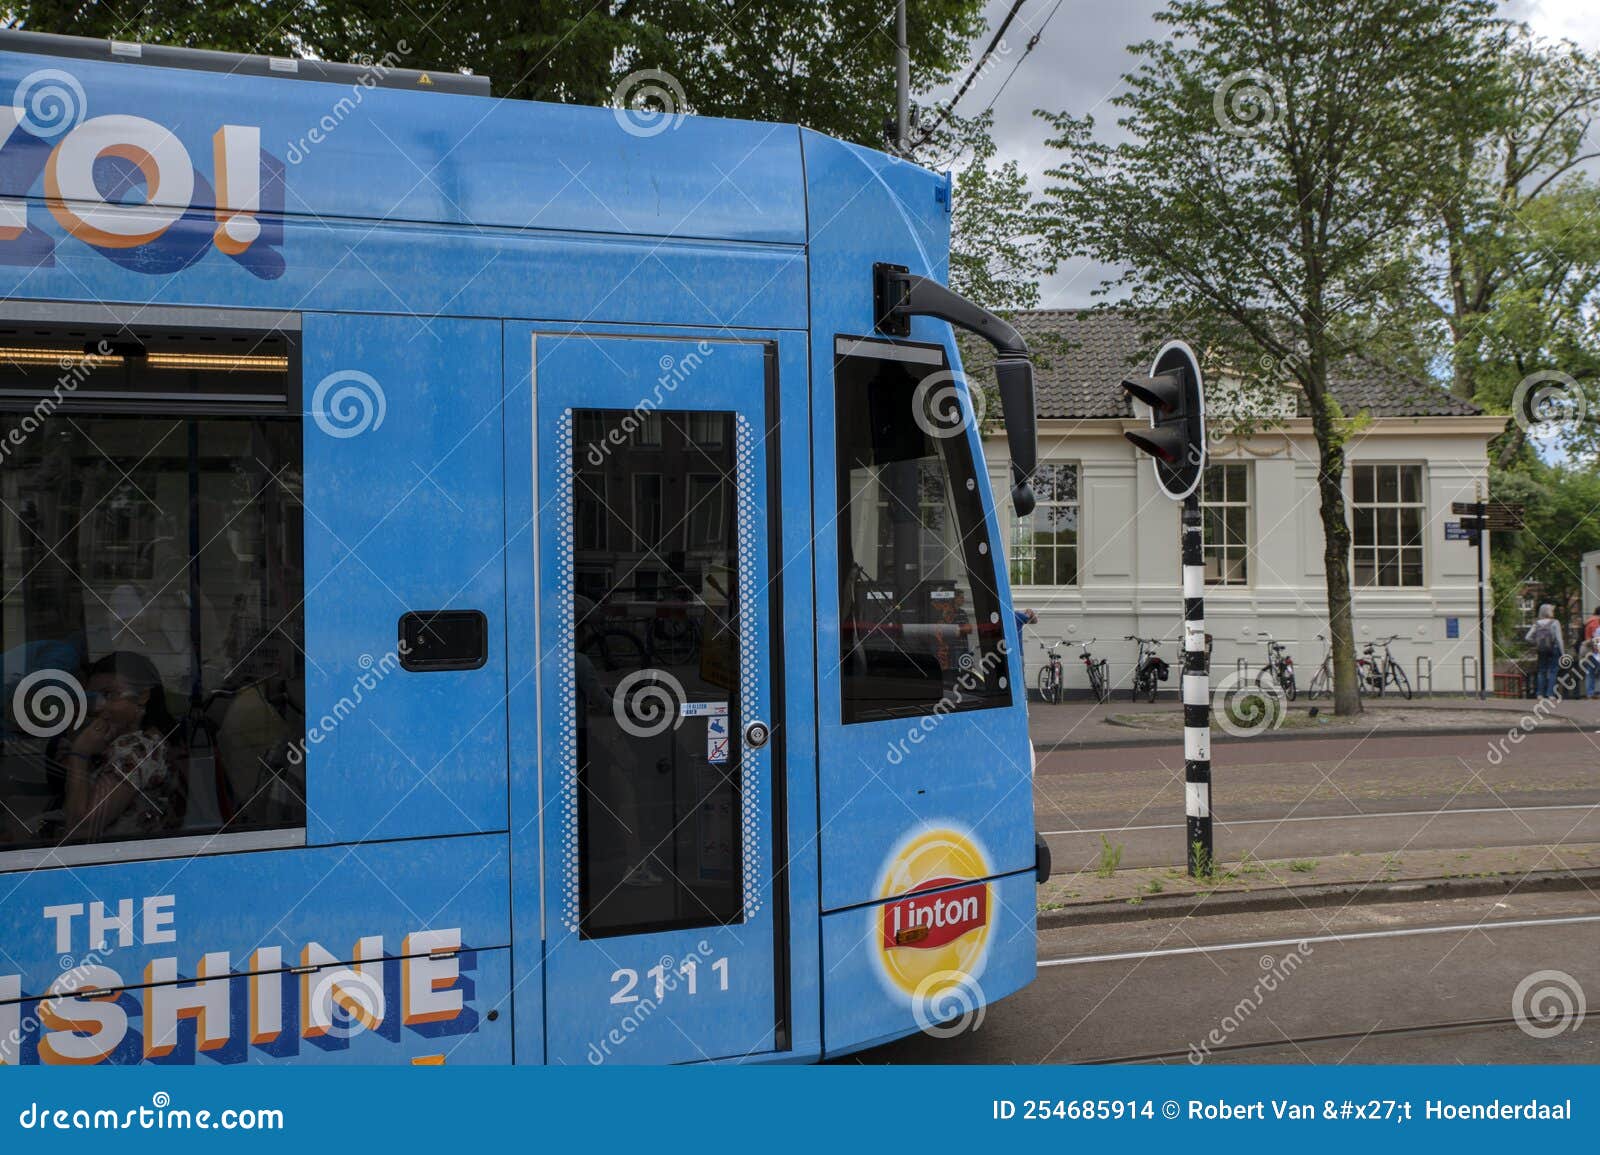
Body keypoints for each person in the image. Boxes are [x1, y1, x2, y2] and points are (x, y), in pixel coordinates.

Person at [60, 651, 183, 843]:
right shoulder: (141, 740)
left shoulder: (136, 750)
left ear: (142, 696)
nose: (99, 706)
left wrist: (80, 753)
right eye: (95, 697)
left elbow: (80, 830)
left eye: (110, 695)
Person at [1525, 604, 1564, 701]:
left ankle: (1539, 694)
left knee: (1541, 671)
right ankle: (1550, 694)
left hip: (1541, 649)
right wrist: (1563, 653)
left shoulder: (1537, 623)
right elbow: (1559, 639)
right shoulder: (1555, 622)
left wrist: (1536, 643)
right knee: (1553, 671)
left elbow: (1527, 637)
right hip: (1554, 648)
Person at [1583, 605, 1600, 700]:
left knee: (1590, 672)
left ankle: (1590, 693)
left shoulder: (1588, 621)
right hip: (1595, 651)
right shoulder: (1596, 623)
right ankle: (1595, 692)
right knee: (1593, 672)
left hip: (1588, 650)